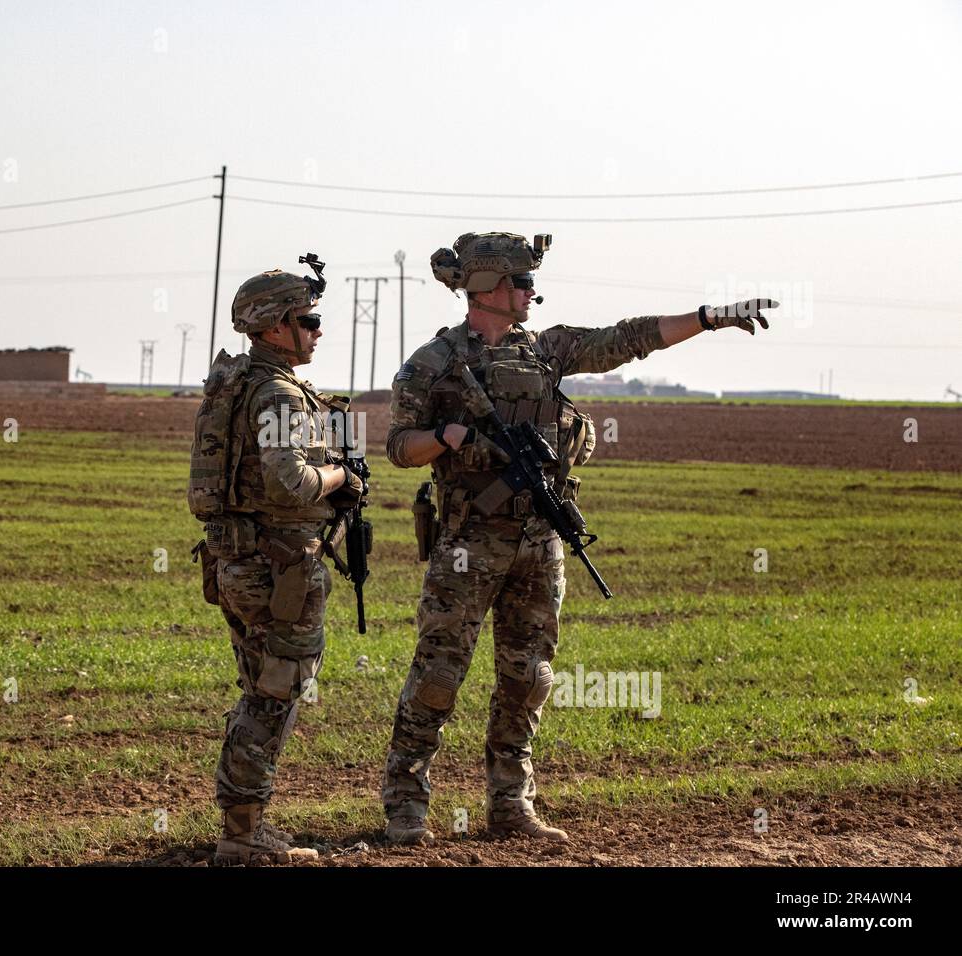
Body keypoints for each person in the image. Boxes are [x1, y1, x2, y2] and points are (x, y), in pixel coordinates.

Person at [381, 231, 776, 846]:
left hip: (540, 540)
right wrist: (449, 438)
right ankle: (406, 807)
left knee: (528, 677)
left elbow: (627, 339)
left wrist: (707, 320)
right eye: (521, 283)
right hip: (468, 545)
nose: (531, 294)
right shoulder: (433, 364)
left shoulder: (547, 350)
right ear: (487, 288)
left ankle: (512, 805)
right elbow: (400, 447)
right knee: (437, 676)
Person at [188, 258, 364, 865]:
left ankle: (242, 821)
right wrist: (342, 476)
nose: (317, 331)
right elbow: (289, 482)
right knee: (276, 692)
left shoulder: (235, 384)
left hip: (236, 561)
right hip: (277, 567)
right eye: (307, 320)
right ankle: (242, 833)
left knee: (260, 687)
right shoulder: (279, 395)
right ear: (272, 328)